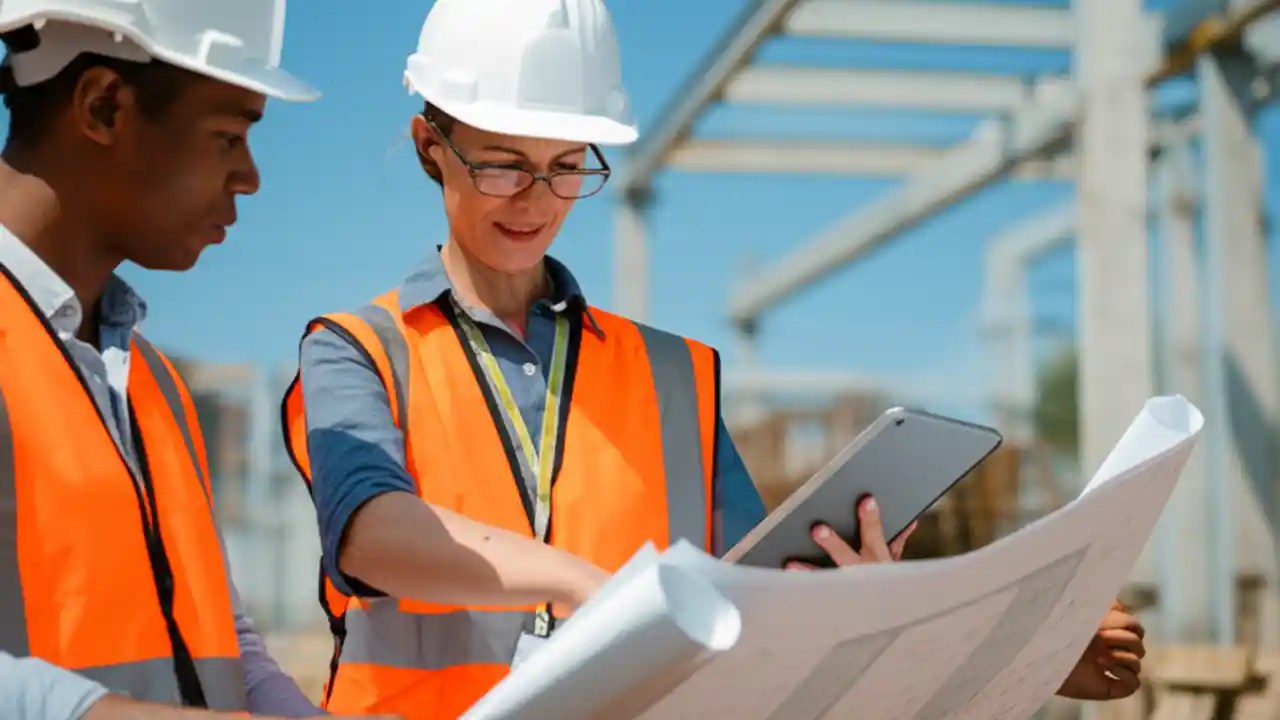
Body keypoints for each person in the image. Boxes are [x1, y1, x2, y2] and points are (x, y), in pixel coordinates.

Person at [280, 0, 1143, 717]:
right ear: (431, 146)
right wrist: (588, 587)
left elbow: (758, 607)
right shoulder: (360, 351)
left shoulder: (669, 378)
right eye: (503, 166)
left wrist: (1026, 639)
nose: (537, 200)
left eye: (567, 167)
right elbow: (372, 532)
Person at [0, 2, 385, 719]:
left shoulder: (152, 384)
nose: (250, 176)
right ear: (104, 107)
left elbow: (217, 644)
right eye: (228, 135)